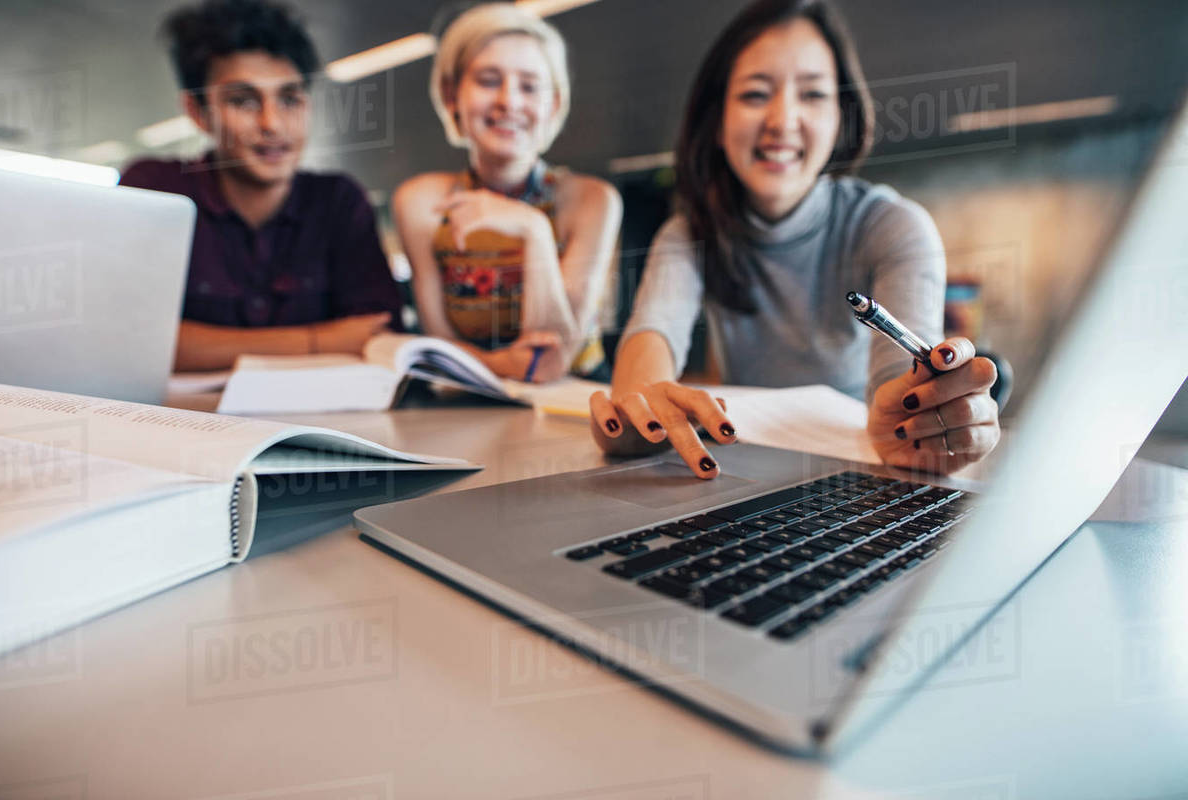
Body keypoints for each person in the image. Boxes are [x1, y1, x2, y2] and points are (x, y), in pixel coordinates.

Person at [589, 0, 1000, 479]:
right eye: (755, 94)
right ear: (717, 122)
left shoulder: (893, 226)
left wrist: (921, 424)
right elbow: (652, 332)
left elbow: (901, 380)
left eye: (812, 94)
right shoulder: (688, 234)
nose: (783, 120)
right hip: (748, 471)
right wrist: (641, 408)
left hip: (860, 470)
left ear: (841, 118)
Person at [121, 0, 404, 372]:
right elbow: (131, 342)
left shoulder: (338, 201)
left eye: (290, 99)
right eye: (243, 100)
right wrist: (323, 340)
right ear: (198, 112)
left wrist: (201, 344)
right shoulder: (153, 189)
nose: (272, 123)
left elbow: (379, 339)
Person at [393, 2, 621, 383]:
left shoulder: (592, 200)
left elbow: (555, 359)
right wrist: (501, 367)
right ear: (452, 95)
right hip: (468, 402)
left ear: (554, 105)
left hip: (580, 401)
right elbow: (438, 345)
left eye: (530, 86)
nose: (509, 101)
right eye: (487, 80)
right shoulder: (420, 203)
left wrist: (533, 230)